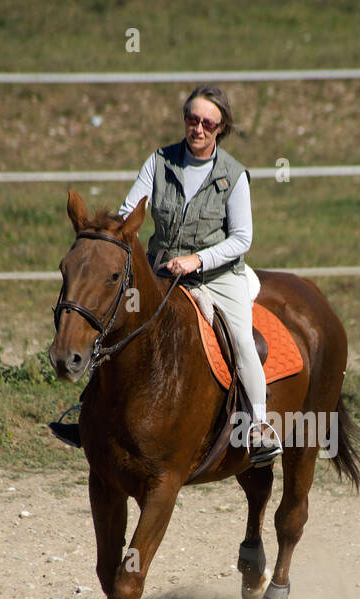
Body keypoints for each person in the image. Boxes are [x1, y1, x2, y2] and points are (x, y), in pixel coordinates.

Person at [118, 85, 281, 464]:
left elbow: (242, 238)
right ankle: (88, 412)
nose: (199, 129)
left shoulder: (234, 175)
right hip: (160, 270)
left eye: (209, 123)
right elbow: (130, 212)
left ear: (221, 128)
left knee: (242, 340)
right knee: (112, 320)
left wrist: (198, 260)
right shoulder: (158, 162)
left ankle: (257, 426)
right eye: (192, 119)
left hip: (217, 276)